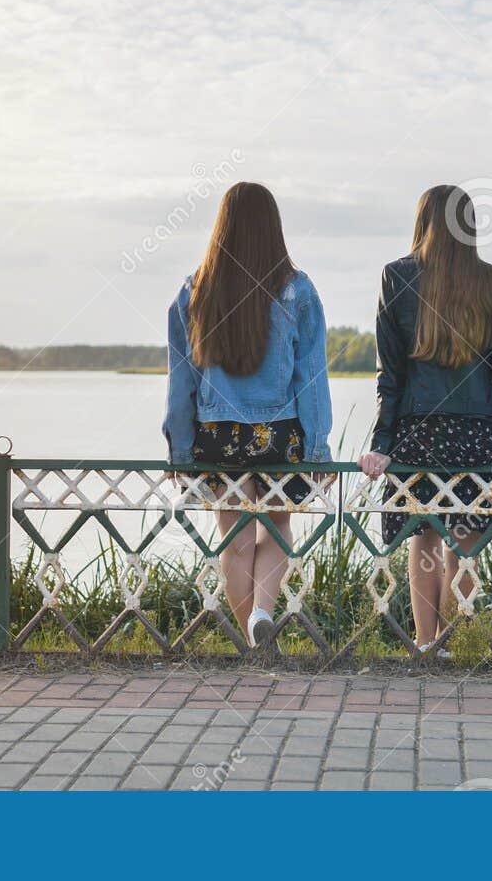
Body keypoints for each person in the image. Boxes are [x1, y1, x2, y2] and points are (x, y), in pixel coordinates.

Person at [357, 184, 492, 655]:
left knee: (423, 539)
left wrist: (381, 444)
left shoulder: (396, 276)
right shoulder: (491, 280)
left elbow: (389, 374)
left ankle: (426, 644)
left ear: (422, 222)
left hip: (419, 432)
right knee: (465, 545)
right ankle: (457, 643)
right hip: (479, 432)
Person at [164, 181, 333, 650]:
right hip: (278, 434)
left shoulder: (194, 290)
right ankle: (262, 613)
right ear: (272, 228)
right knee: (276, 529)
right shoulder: (297, 290)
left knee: (234, 542)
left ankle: (252, 645)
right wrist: (318, 448)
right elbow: (311, 378)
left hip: (217, 436)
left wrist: (180, 449)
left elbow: (181, 381)